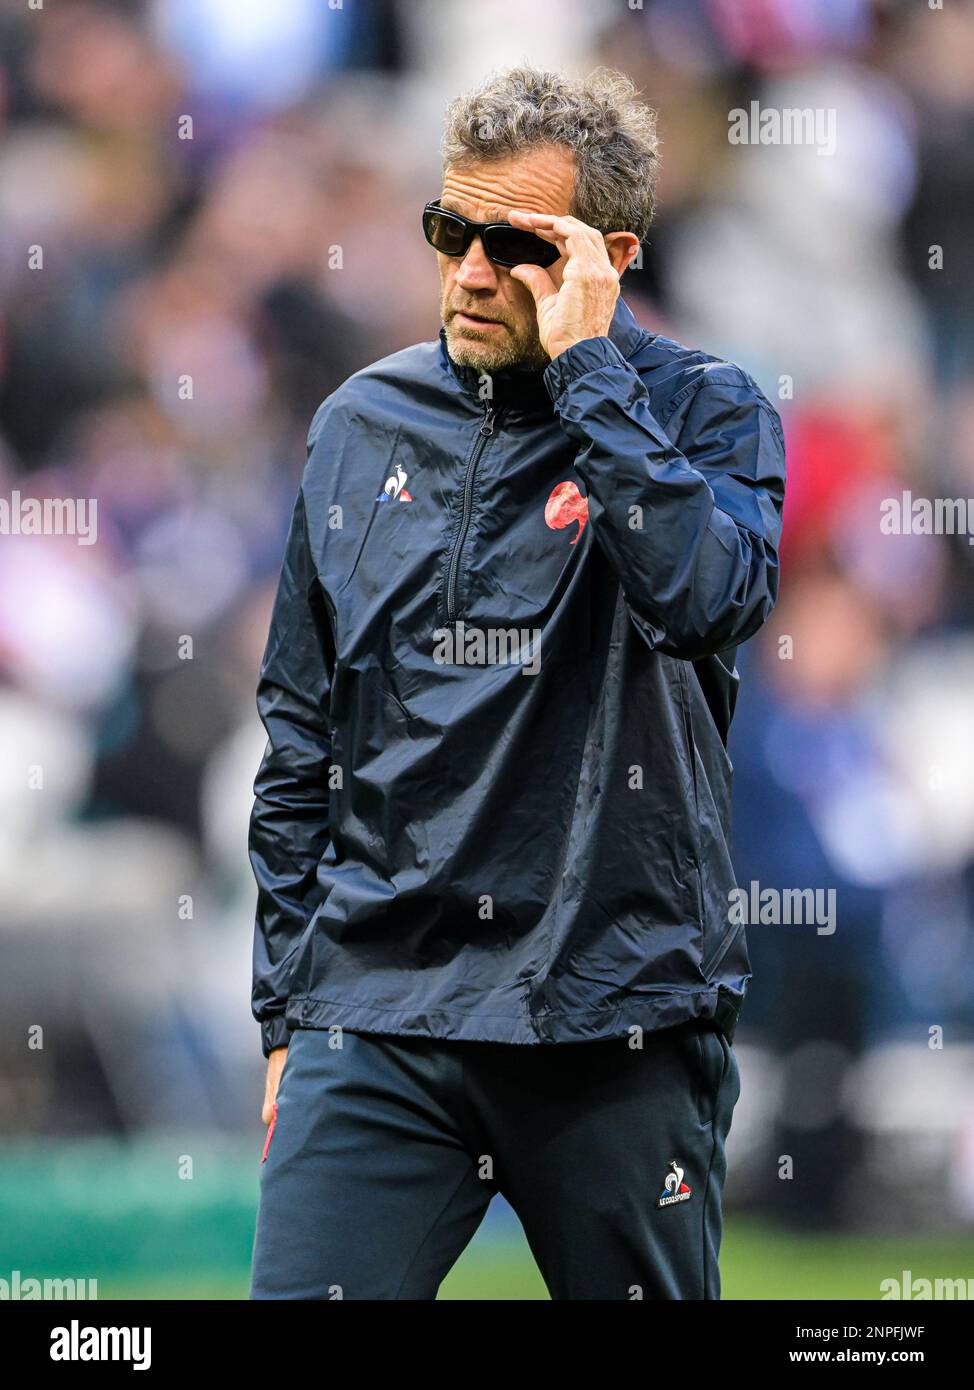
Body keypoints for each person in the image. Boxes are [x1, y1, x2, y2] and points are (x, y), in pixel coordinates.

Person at [248, 65, 786, 1301]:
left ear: (610, 255)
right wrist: (286, 1011)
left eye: (515, 245)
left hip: (615, 1009)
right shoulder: (356, 423)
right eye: (451, 231)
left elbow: (707, 596)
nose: (472, 271)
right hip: (376, 1008)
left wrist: (589, 370)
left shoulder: (708, 411)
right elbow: (298, 732)